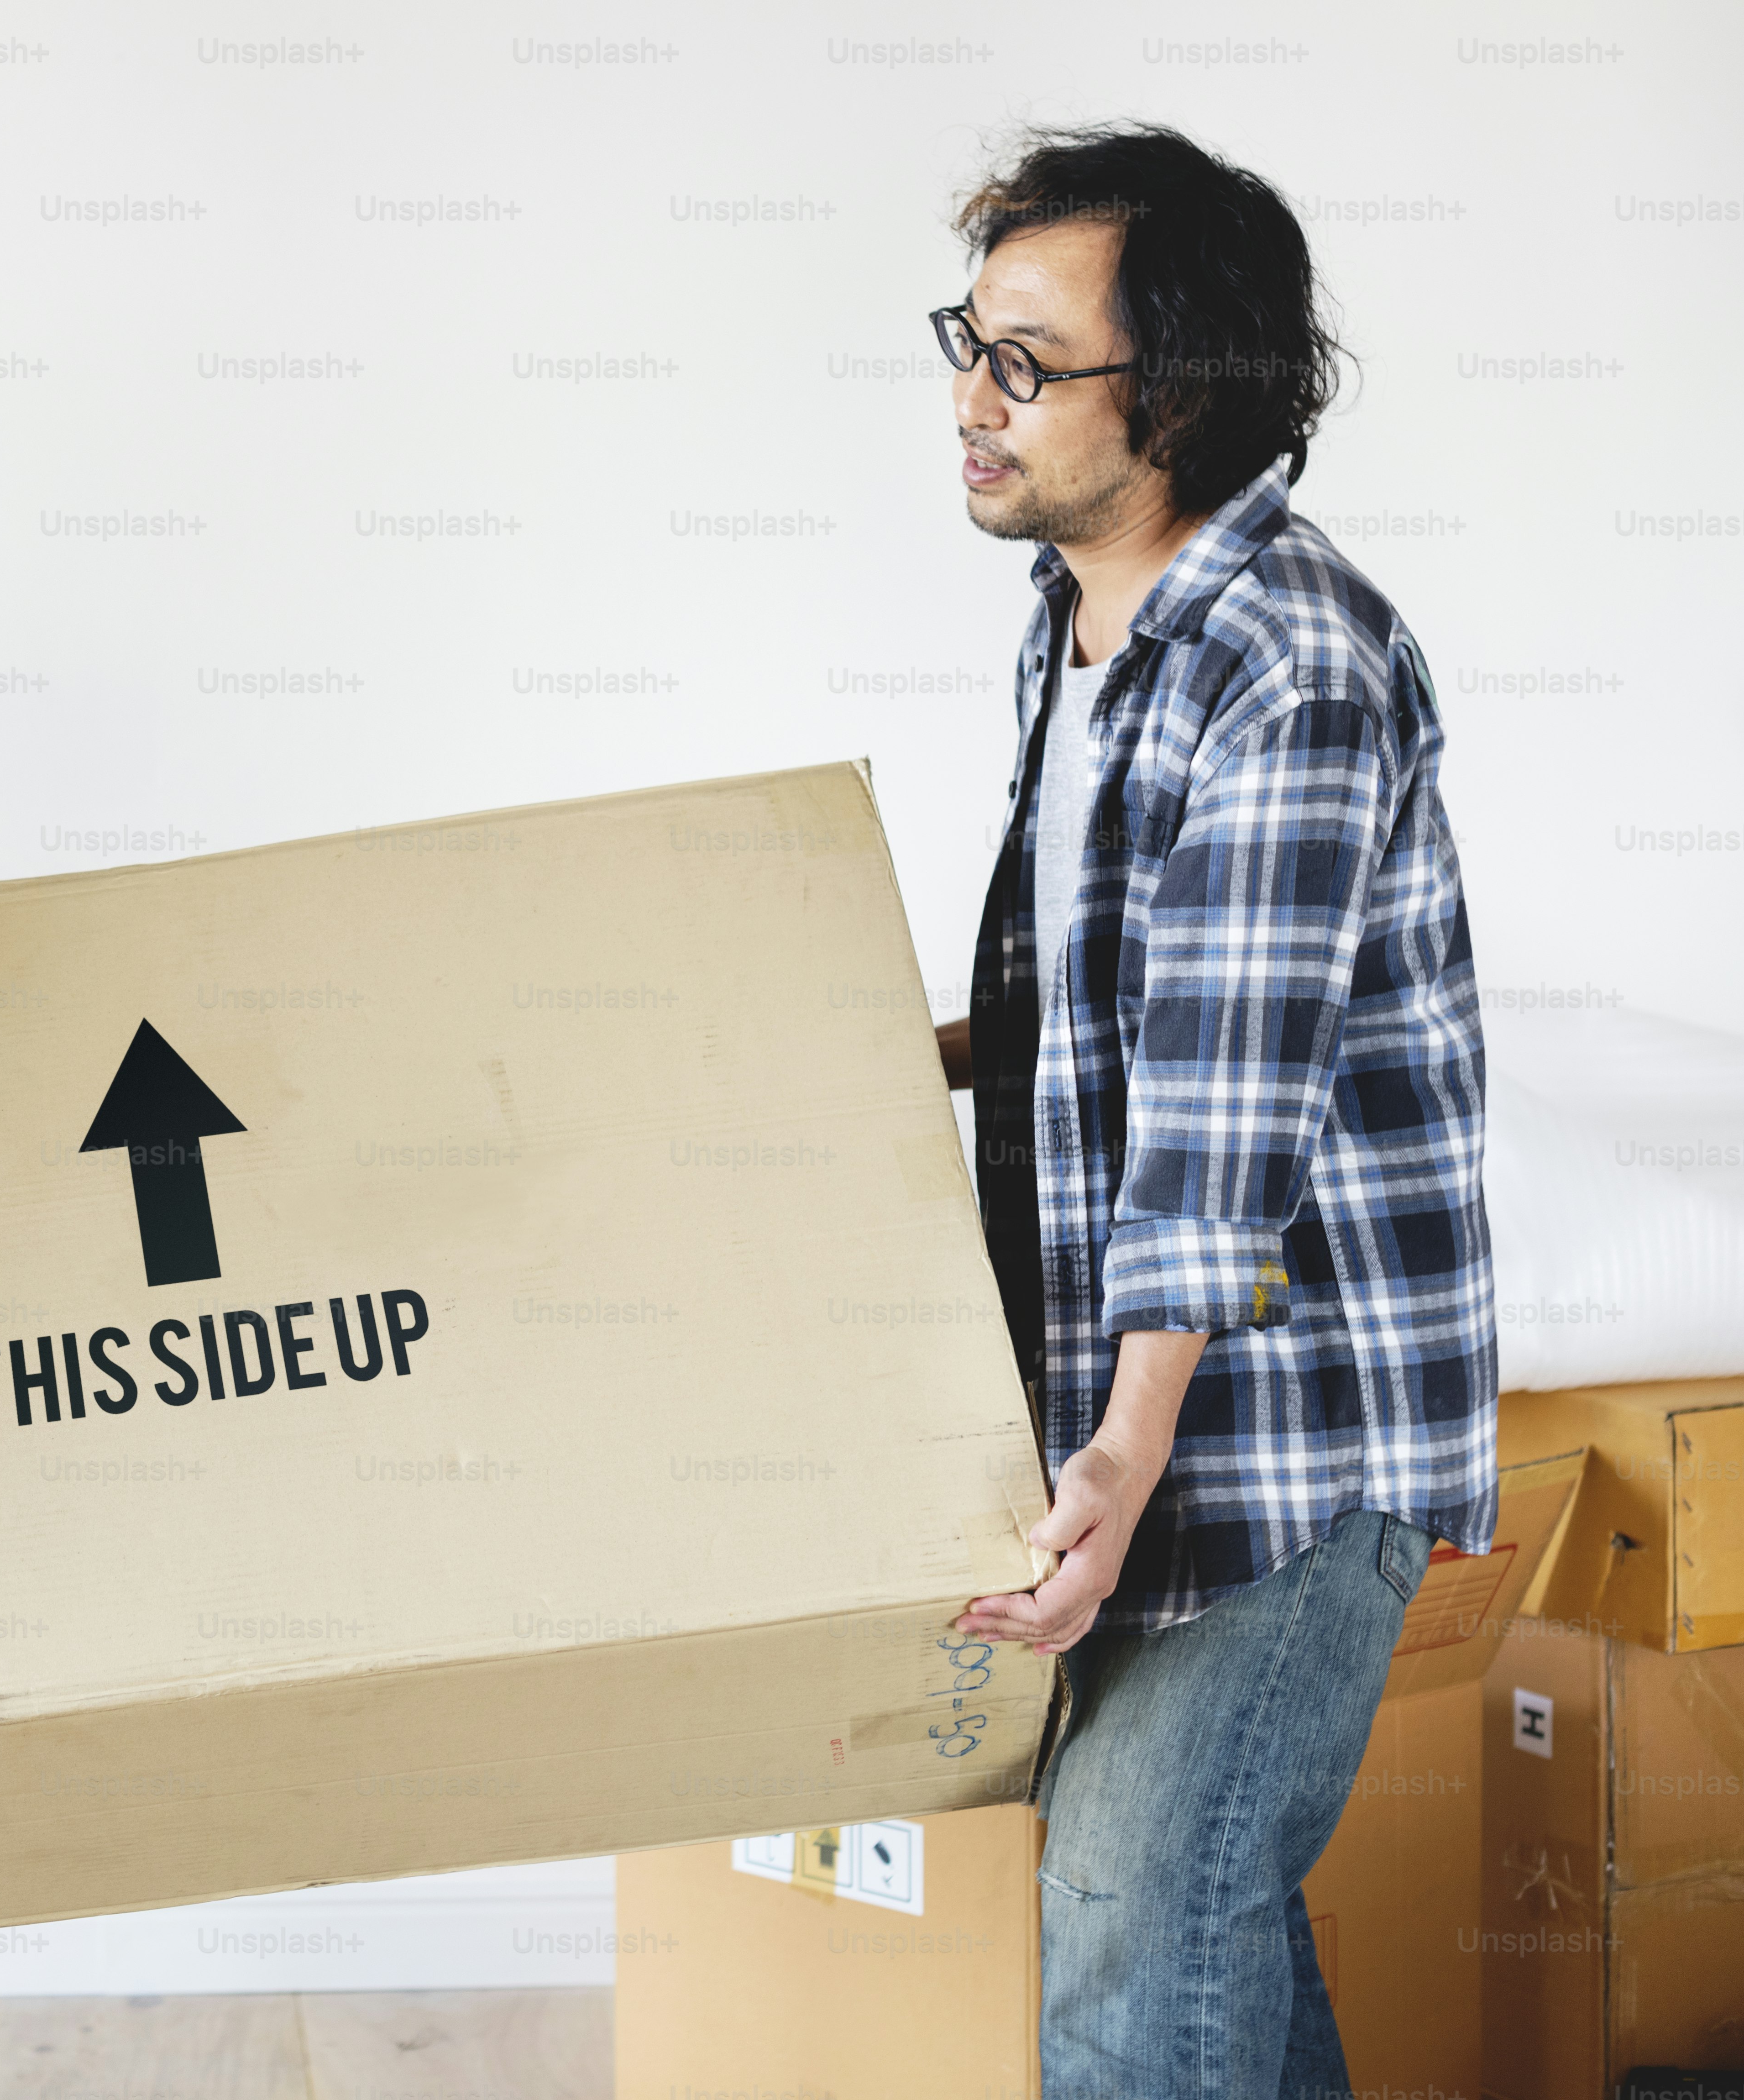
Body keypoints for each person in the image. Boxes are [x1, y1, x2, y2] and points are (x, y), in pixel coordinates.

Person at [925, 128, 1495, 2098]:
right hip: (1137, 1419)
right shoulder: (1082, 635)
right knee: (1203, 1933)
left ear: (1166, 395)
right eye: (966, 344)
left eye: (1025, 359)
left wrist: (1115, 1459)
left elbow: (1214, 1114)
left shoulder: (1286, 662)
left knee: (1132, 1930)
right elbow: (1094, 1025)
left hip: (1275, 1442)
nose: (971, 401)